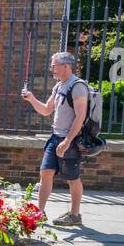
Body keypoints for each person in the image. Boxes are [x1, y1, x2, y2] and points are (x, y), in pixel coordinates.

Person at [21, 51, 88, 225]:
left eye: (54, 65)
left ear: (66, 66)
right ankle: (39, 213)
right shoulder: (58, 86)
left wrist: (67, 141)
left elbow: (80, 116)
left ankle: (75, 215)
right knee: (45, 173)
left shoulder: (78, 86)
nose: (52, 69)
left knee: (72, 178)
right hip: (55, 137)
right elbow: (46, 110)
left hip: (70, 140)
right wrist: (32, 99)